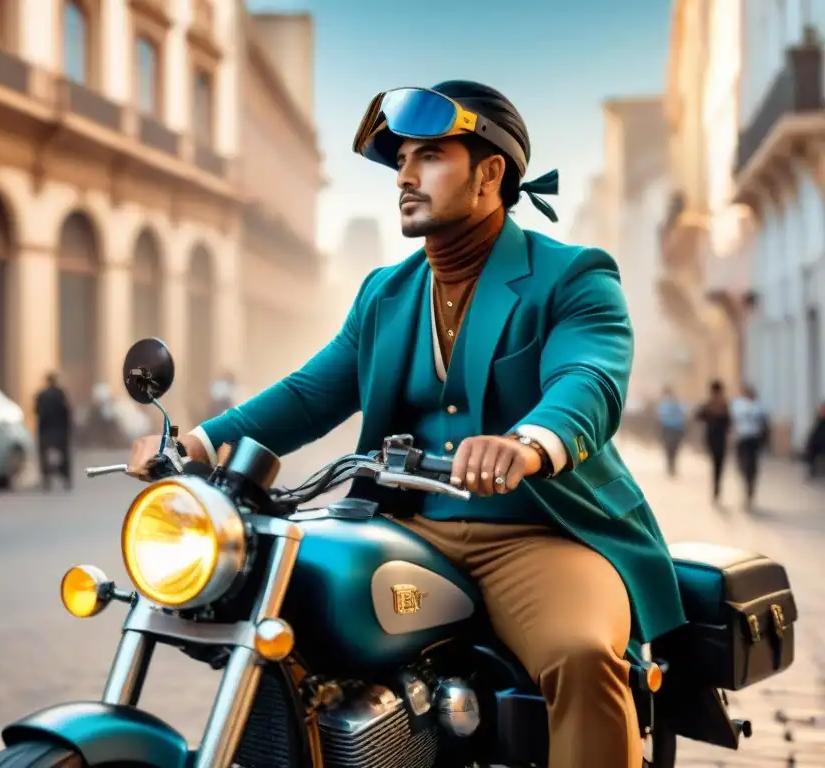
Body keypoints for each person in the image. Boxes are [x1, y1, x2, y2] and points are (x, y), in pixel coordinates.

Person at [128, 80, 684, 768]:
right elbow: (310, 395)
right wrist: (197, 442)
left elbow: (589, 381)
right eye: (400, 163)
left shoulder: (571, 277)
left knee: (580, 654)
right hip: (402, 522)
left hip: (538, 530)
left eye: (429, 157)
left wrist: (528, 443)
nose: (406, 177)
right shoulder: (385, 293)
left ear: (490, 174)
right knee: (287, 622)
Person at [731, 383, 768, 510]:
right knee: (742, 465)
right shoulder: (737, 405)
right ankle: (746, 486)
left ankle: (750, 489)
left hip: (753, 440)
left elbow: (764, 425)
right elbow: (732, 422)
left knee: (752, 466)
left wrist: (763, 440)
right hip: (742, 439)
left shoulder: (759, 407)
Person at [34, 371, 73, 491]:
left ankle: (46, 479)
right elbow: (67, 412)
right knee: (63, 455)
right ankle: (66, 478)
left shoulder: (41, 394)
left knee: (44, 455)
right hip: (60, 429)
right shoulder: (61, 394)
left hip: (45, 429)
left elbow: (37, 411)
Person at [695, 380, 731, 503]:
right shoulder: (722, 405)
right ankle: (716, 487)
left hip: (714, 439)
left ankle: (716, 488)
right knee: (718, 465)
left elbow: (698, 416)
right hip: (717, 439)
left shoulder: (716, 405)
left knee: (717, 465)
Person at [656, 386, 687, 477]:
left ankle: (670, 466)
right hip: (677, 429)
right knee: (674, 449)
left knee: (668, 448)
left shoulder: (664, 404)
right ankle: (672, 466)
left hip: (668, 428)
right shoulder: (677, 403)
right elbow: (683, 416)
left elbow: (660, 418)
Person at [803, 402, 825, 479]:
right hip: (817, 444)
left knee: (812, 450)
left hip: (820, 445)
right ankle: (812, 469)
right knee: (810, 449)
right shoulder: (819, 421)